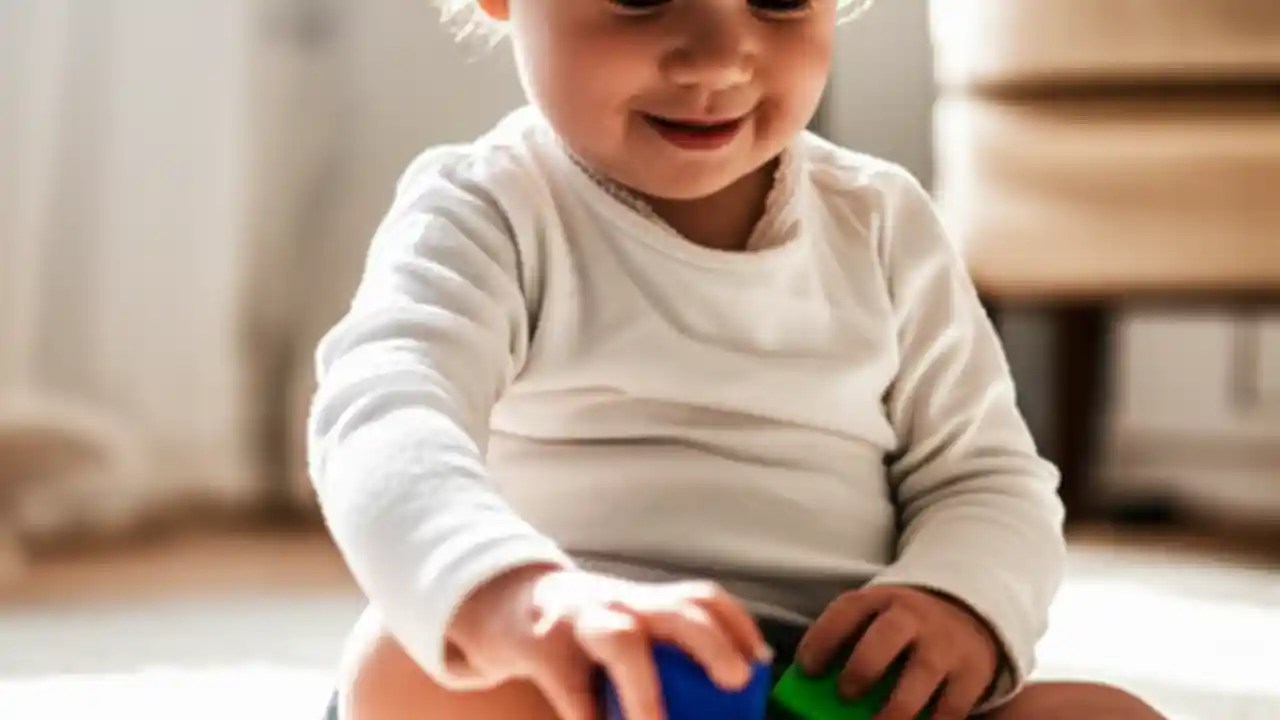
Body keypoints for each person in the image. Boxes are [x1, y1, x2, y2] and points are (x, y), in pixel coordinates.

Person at [308, 0, 1166, 717]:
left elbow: (986, 477)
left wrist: (956, 604)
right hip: (595, 684)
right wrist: (519, 598)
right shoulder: (485, 210)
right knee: (401, 665)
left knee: (1109, 716)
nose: (718, 59)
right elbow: (387, 414)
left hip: (837, 689)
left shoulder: (882, 223)